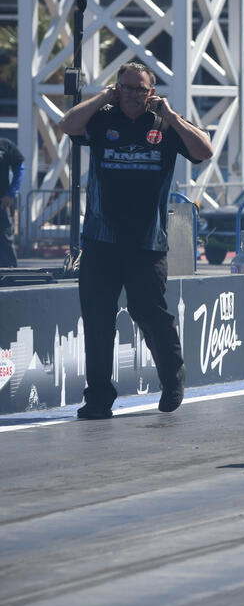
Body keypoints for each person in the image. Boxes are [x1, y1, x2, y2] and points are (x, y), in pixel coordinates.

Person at [58, 60, 214, 419]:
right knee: (98, 319)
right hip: (101, 239)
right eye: (125, 87)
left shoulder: (164, 123)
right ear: (117, 89)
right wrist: (101, 98)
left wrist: (172, 115)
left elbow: (204, 151)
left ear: (151, 92)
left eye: (139, 89)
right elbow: (67, 125)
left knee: (149, 312)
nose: (131, 95)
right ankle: (98, 398)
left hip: (146, 242)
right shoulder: (102, 118)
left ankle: (172, 378)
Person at [0, 136, 24, 267]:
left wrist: (11, 193)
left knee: (4, 237)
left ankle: (10, 270)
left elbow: (19, 169)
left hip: (2, 200)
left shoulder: (5, 145)